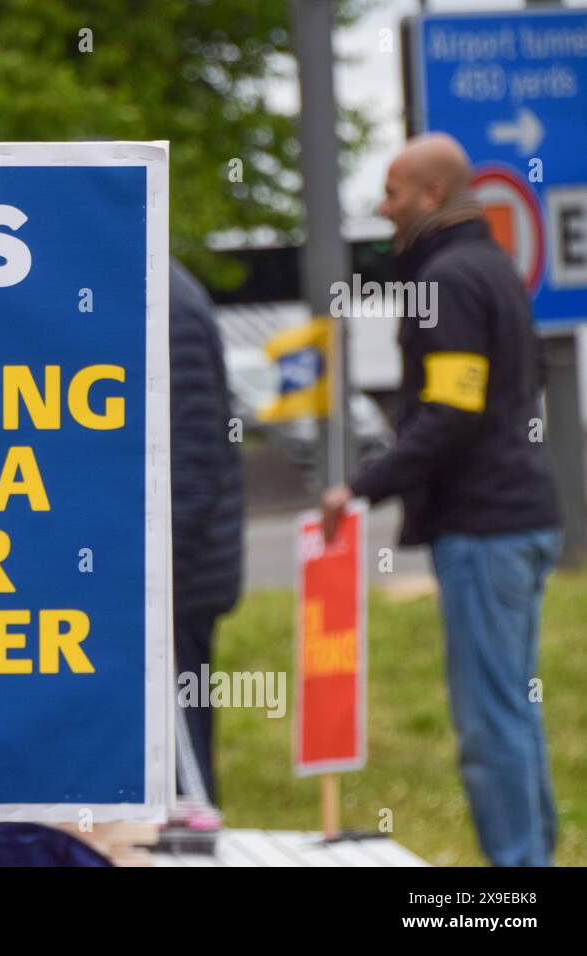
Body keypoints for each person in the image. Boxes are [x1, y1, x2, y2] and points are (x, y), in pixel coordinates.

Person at [322, 134, 562, 866]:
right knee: (512, 712)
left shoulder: (451, 279)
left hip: (485, 527)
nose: (380, 205)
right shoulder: (490, 267)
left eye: (392, 191)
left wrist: (359, 486)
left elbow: (450, 410)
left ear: (430, 196)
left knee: (490, 723)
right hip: (518, 516)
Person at [168, 258, 244, 817]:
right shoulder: (165, 291)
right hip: (177, 579)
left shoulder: (167, 303)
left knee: (181, 765)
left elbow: (191, 465)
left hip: (176, 586)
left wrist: (146, 578)